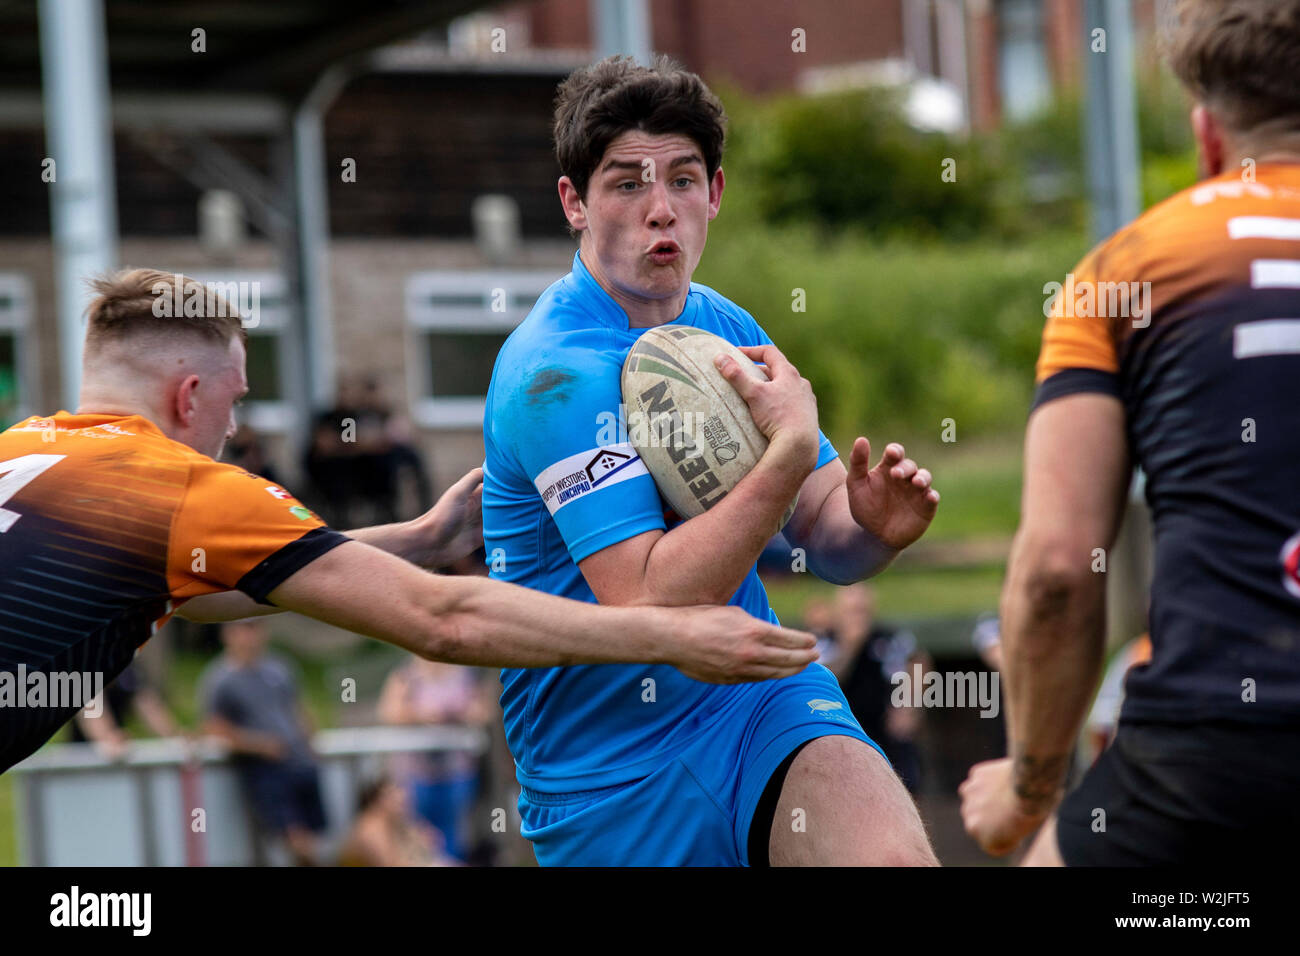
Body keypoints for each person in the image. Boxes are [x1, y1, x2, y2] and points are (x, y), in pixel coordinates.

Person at [0, 268, 818, 774]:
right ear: (188, 397)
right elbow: (446, 621)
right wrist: (674, 635)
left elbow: (195, 591)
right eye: (235, 400)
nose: (234, 430)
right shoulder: (178, 486)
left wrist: (417, 540)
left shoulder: (24, 449)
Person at [482, 56, 941, 866]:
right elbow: (648, 598)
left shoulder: (721, 325)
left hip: (755, 703)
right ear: (573, 203)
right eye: (627, 183)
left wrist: (871, 525)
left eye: (684, 181)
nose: (661, 210)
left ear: (715, 195)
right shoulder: (550, 373)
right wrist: (790, 453)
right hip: (606, 775)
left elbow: (825, 536)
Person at [959, 0, 1300, 866]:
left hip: (1211, 760)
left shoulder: (1125, 273)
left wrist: (1023, 792)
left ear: (1208, 140)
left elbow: (1058, 574)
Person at [199, 618, 327, 865]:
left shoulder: (280, 668)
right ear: (228, 634)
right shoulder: (220, 678)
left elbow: (297, 709)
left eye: (255, 627)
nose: (250, 635)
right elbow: (213, 728)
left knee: (315, 840)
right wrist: (260, 745)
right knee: (297, 842)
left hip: (301, 764)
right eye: (244, 628)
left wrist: (310, 743)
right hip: (268, 772)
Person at [377, 656, 494, 860]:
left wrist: (459, 714)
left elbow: (484, 712)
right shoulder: (405, 674)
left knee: (453, 836)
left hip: (458, 774)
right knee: (415, 835)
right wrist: (420, 716)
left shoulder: (467, 674)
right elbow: (389, 713)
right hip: (414, 777)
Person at [829, 584, 924, 794]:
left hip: (887, 731)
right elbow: (826, 677)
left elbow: (918, 662)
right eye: (852, 611)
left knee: (905, 786)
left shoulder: (888, 638)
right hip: (843, 733)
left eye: (863, 611)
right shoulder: (826, 640)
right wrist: (850, 646)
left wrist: (909, 704)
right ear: (838, 611)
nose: (859, 618)